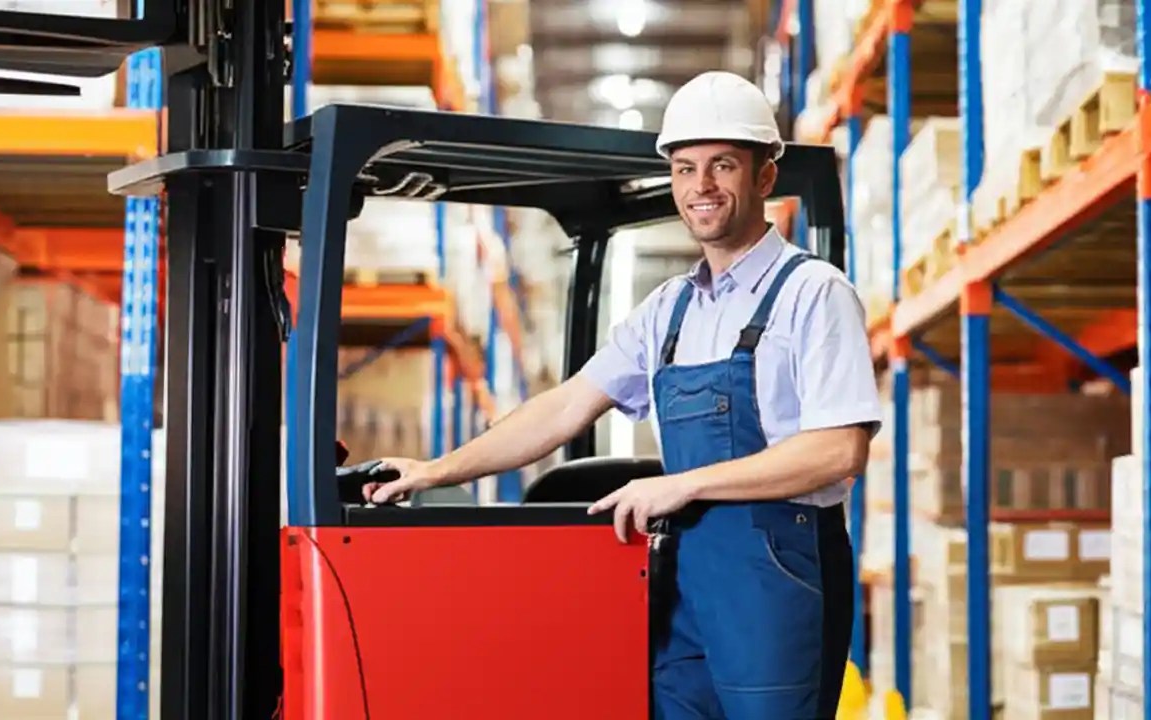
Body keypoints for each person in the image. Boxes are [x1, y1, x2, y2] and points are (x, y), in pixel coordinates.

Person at [360, 71, 882, 719]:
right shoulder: (668, 310)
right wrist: (436, 469)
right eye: (686, 169)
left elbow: (837, 452)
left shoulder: (813, 293)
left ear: (765, 178)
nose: (702, 187)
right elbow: (566, 405)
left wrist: (682, 485)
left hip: (773, 574)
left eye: (723, 165)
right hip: (686, 581)